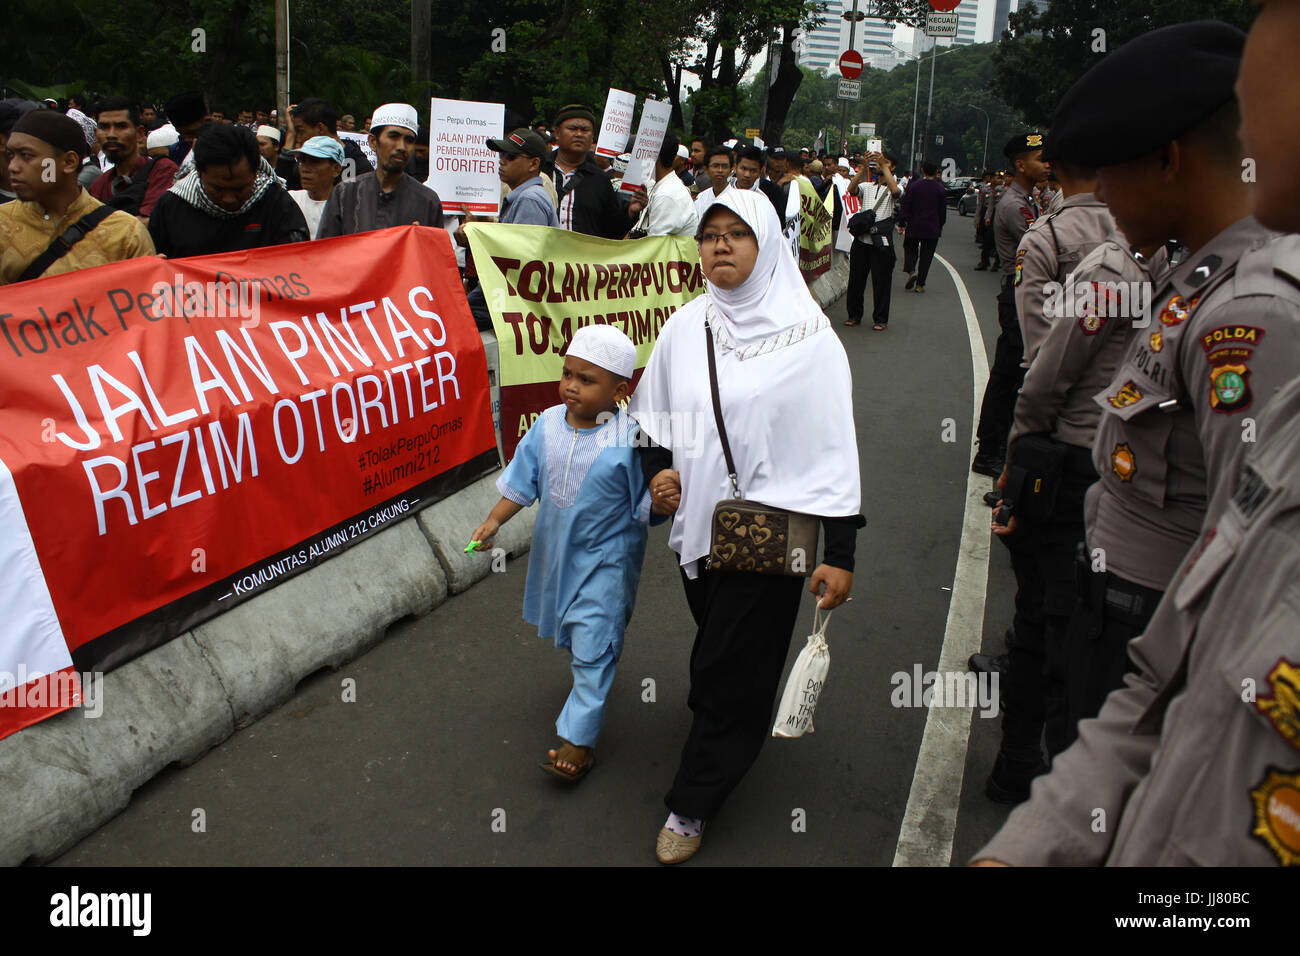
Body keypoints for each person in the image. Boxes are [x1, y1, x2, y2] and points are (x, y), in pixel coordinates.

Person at [973, 10, 1300, 869]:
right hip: (1125, 605)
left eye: (1110, 171)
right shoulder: (1188, 274)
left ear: (1167, 159)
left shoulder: (1251, 313)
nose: (1098, 198)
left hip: (1159, 627)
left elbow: (1241, 587)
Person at [629, 190, 863, 863]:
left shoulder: (810, 341)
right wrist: (660, 472)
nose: (721, 246)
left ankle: (693, 803)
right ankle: (719, 708)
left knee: (736, 665)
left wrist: (839, 552)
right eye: (710, 235)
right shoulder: (687, 326)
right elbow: (657, 423)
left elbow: (833, 456)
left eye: (737, 234)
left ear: (768, 246)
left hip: (774, 538)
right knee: (717, 645)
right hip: (701, 530)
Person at [470, 325, 656, 782]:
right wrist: (494, 521)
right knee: (579, 636)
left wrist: (665, 495)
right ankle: (586, 689)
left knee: (595, 641)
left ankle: (579, 741)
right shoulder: (547, 423)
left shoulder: (634, 439)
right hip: (557, 557)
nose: (571, 385)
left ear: (620, 390)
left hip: (607, 563)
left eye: (586, 380)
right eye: (567, 374)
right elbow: (522, 481)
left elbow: (650, 505)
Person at [970, 135, 1049, 478]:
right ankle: (990, 450)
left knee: (1013, 374)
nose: (1048, 164)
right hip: (1017, 296)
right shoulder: (1014, 205)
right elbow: (1045, 246)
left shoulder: (1027, 198)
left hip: (1023, 295)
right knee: (1009, 376)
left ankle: (995, 445)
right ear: (1020, 164)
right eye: (1040, 158)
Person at [1, 110, 154, 284]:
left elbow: (143, 304)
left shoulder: (125, 234)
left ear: (69, 162)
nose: (13, 167)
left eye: (26, 155)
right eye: (11, 155)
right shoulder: (2, 224)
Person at [148, 122, 309, 257]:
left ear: (255, 172)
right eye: (217, 189)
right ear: (199, 172)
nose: (229, 199)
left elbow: (299, 260)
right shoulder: (171, 207)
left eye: (240, 189)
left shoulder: (275, 202)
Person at [462, 128, 561, 330]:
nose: (501, 160)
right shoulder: (526, 196)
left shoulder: (529, 200)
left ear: (534, 164)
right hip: (508, 300)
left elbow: (518, 264)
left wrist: (475, 237)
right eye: (501, 155)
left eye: (511, 156)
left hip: (509, 303)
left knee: (453, 320)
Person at [317, 103, 444, 238]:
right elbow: (325, 252)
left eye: (409, 140)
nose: (401, 146)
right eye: (393, 137)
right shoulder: (345, 194)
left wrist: (419, 242)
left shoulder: (427, 201)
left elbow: (433, 255)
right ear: (373, 142)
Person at [88, 96, 180, 223]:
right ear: (95, 133)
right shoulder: (98, 186)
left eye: (121, 126)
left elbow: (147, 224)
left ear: (140, 133)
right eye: (104, 127)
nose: (111, 135)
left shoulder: (162, 171)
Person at [548, 104, 634, 239]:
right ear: (557, 133)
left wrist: (630, 213)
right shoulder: (539, 171)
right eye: (572, 129)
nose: (579, 134)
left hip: (580, 259)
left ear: (592, 136)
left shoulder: (600, 180)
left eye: (585, 130)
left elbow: (612, 231)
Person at [843, 151, 901, 329]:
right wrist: (864, 168)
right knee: (856, 280)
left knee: (881, 282)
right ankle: (854, 315)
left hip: (880, 242)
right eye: (880, 162)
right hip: (862, 241)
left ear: (893, 167)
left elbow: (896, 192)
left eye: (886, 162)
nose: (881, 164)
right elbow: (851, 190)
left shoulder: (894, 187)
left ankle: (881, 319)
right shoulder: (867, 186)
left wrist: (884, 168)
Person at [630, 131, 698, 238]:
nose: (639, 158)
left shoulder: (667, 195)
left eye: (643, 153)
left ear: (655, 157)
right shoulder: (657, 185)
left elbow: (655, 245)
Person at [290, 97, 373, 179]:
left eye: (300, 131)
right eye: (304, 162)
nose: (298, 138)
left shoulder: (361, 169)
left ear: (320, 128)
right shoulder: (299, 167)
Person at [898, 160, 948, 293]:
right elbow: (942, 212)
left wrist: (902, 223)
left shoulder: (914, 186)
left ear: (923, 171)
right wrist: (940, 225)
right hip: (932, 227)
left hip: (914, 225)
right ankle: (920, 284)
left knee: (910, 249)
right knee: (927, 256)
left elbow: (906, 205)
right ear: (936, 172)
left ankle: (911, 271)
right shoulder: (940, 189)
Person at [285, 136, 343, 238]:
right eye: (301, 161)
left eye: (314, 162)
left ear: (336, 169)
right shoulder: (290, 200)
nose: (305, 169)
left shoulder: (347, 208)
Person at [734, 146, 785, 219]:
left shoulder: (772, 193)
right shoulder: (723, 189)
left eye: (753, 171)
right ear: (735, 168)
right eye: (743, 169)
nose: (747, 175)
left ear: (760, 173)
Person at [693, 145, 734, 221]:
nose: (720, 170)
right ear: (706, 169)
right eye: (716, 166)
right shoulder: (701, 198)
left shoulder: (737, 199)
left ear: (731, 169)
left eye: (724, 166)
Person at [256, 124, 301, 190]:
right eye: (256, 144)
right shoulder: (255, 169)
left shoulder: (291, 169)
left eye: (262, 144)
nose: (258, 148)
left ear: (276, 146)